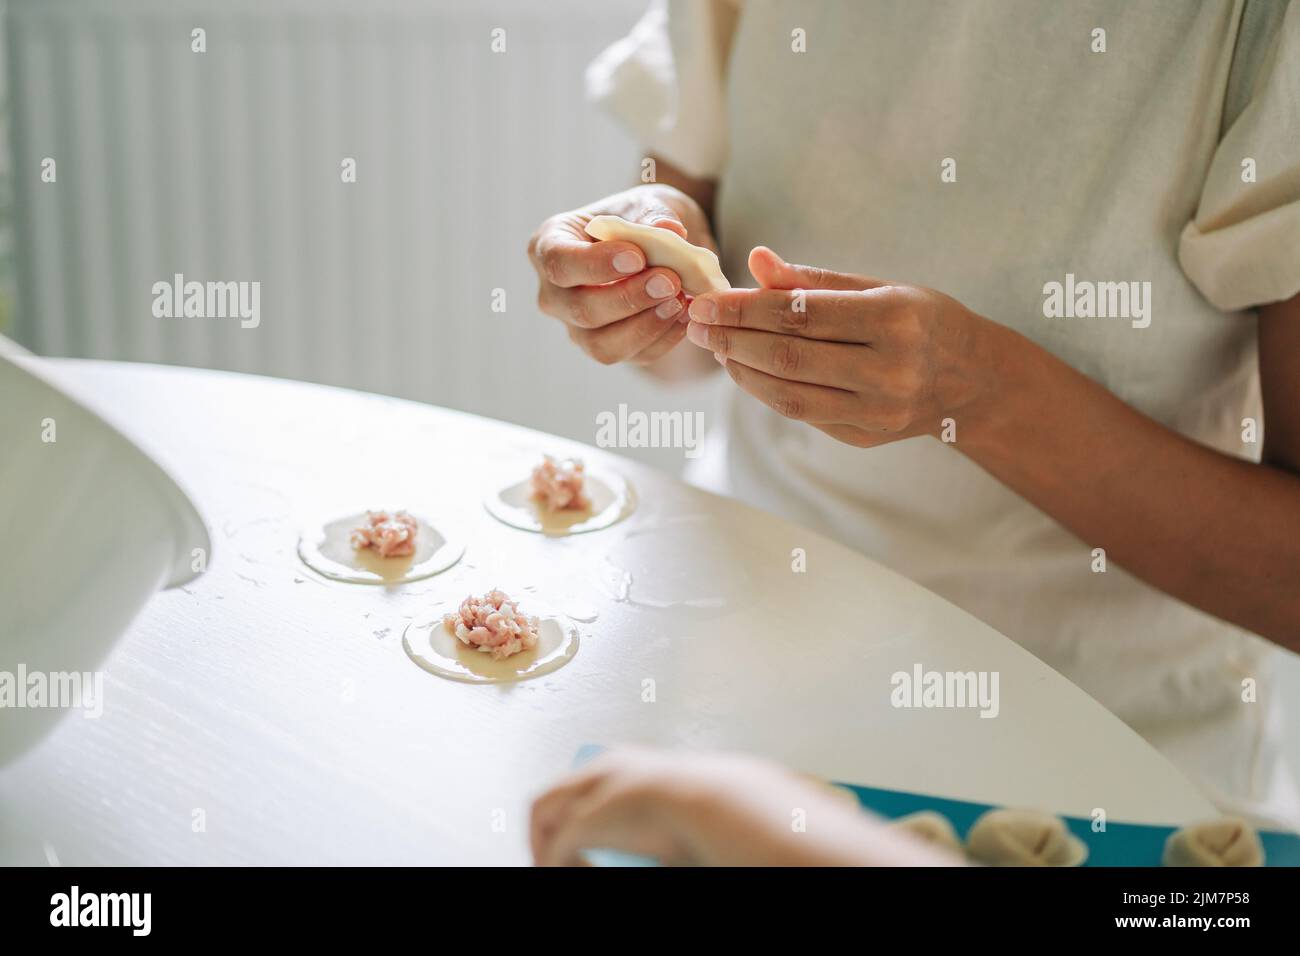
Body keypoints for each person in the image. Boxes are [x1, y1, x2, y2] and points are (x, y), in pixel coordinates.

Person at [527, 0, 1300, 862]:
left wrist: (979, 390)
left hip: (1109, 747)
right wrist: (637, 282)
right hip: (742, 644)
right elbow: (678, 351)